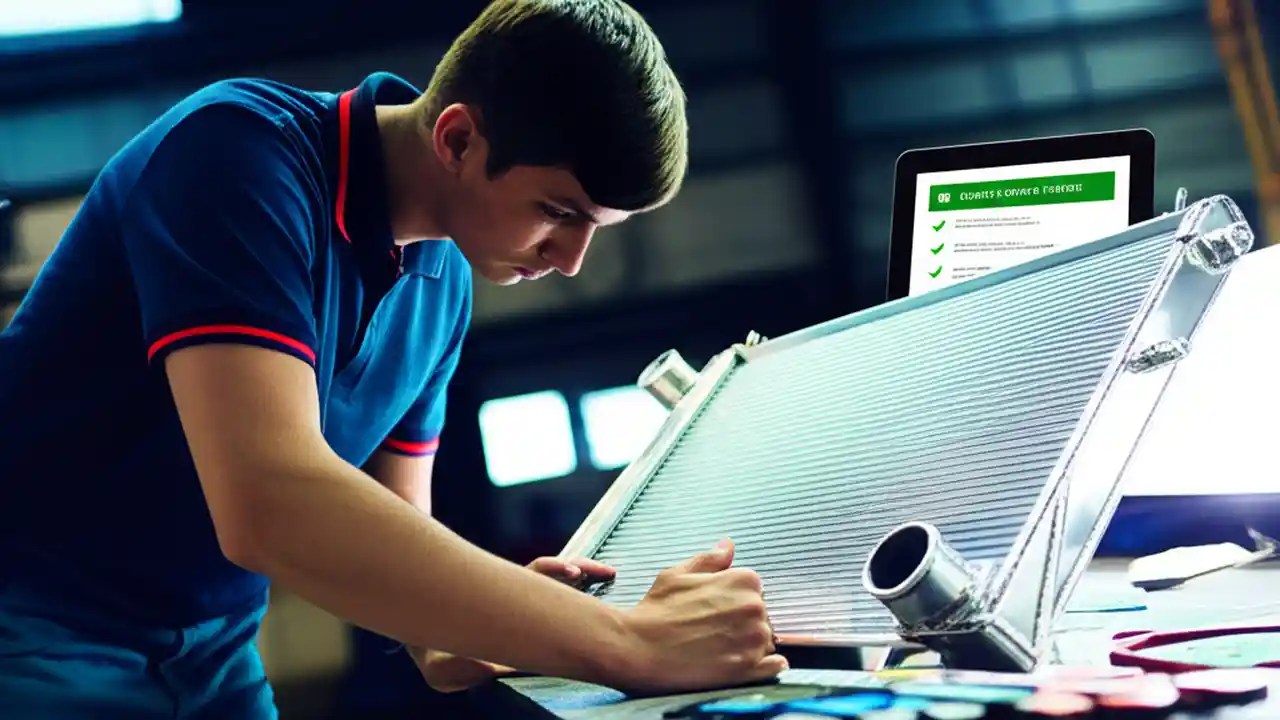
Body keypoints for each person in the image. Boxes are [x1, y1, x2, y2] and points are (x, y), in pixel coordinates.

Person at [0, 0, 787, 717]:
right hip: (32, 620)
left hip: (208, 648)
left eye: (595, 228)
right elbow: (271, 506)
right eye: (558, 213)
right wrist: (626, 643)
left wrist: (480, 621)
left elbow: (402, 526)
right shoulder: (233, 156)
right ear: (456, 138)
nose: (574, 260)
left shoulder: (441, 284)